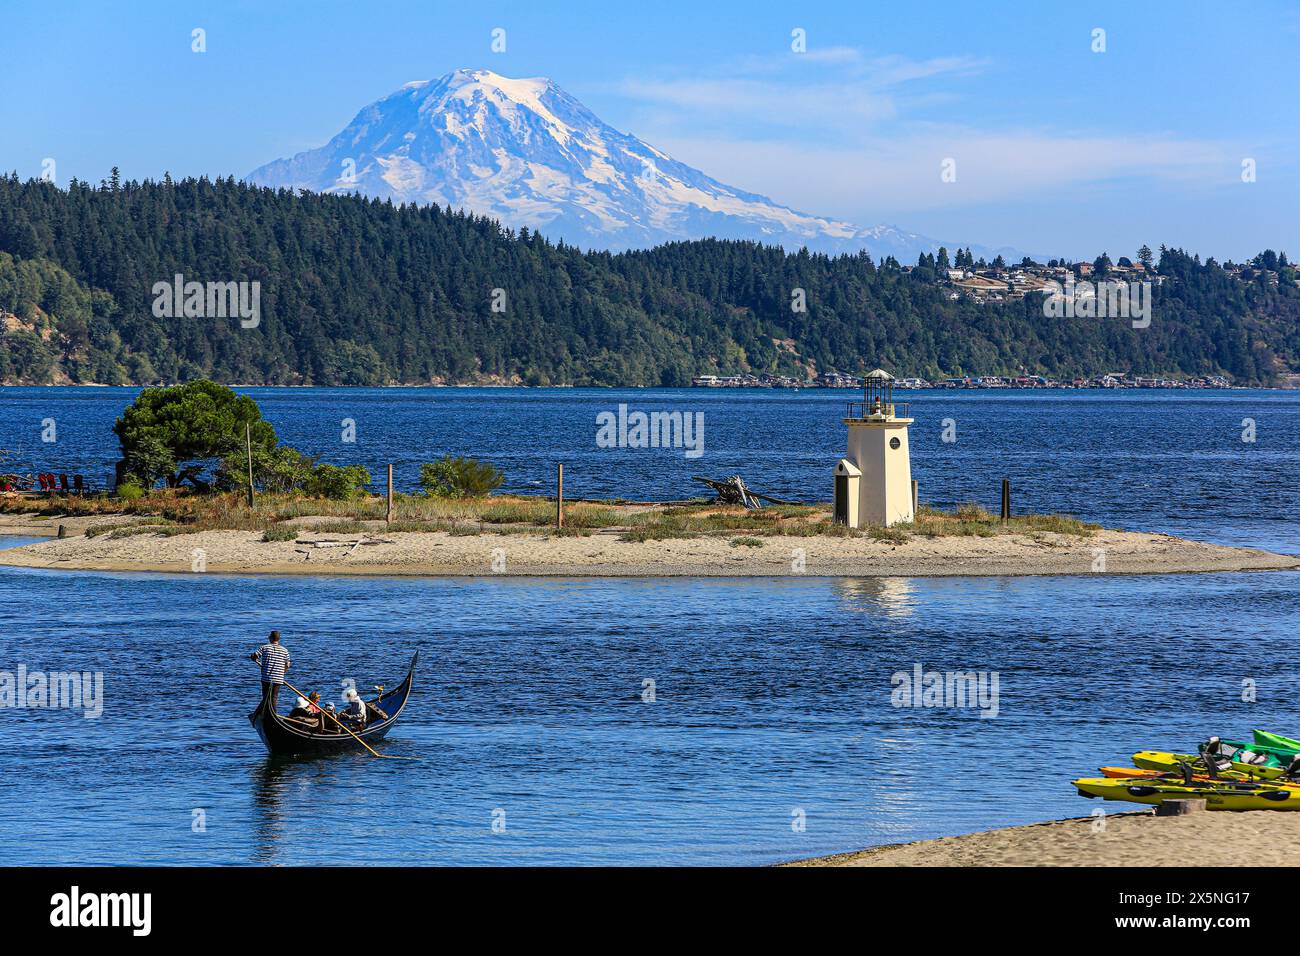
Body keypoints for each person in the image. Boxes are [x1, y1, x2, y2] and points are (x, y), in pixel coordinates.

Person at [249, 631, 291, 712]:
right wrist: (283, 672)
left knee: (266, 697)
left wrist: (253, 657)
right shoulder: (285, 650)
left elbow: (255, 656)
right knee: (274, 697)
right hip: (279, 678)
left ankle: (263, 712)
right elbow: (288, 665)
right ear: (278, 639)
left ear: (270, 638)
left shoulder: (264, 647)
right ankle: (273, 713)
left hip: (266, 677)